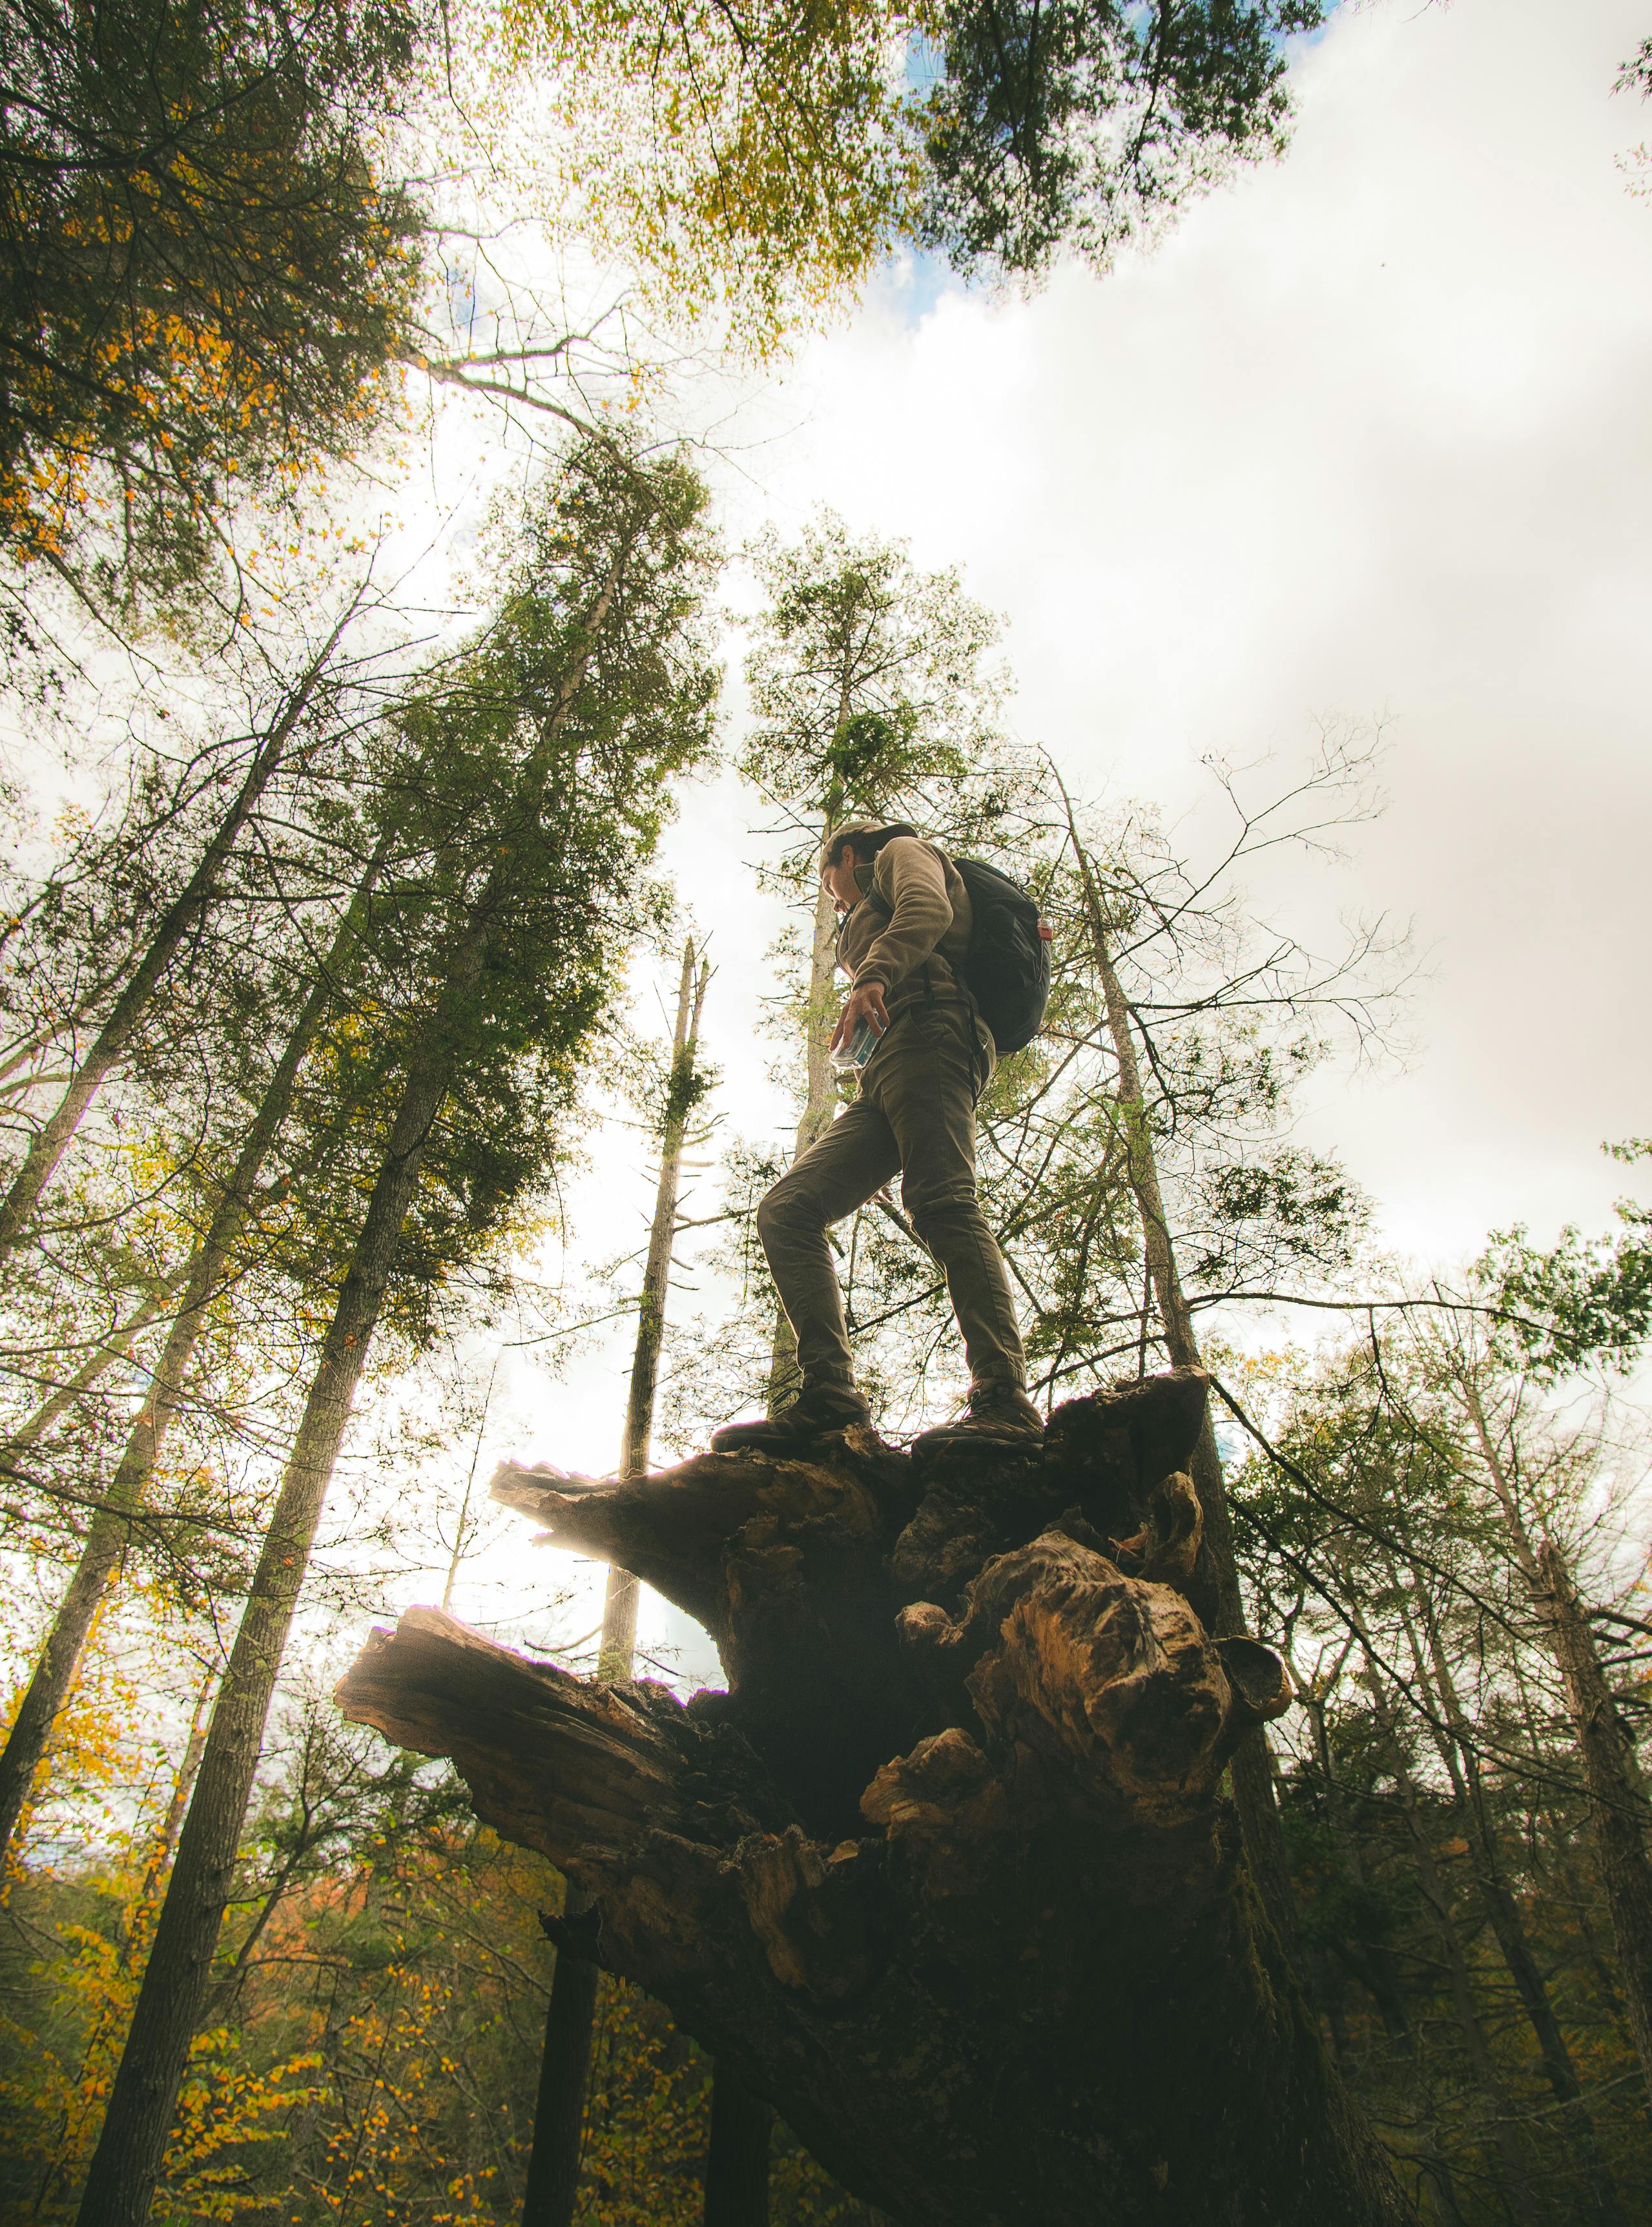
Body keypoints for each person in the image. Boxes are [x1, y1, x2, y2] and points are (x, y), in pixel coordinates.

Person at [712, 822, 1044, 1453]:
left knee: (943, 1203)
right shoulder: (865, 907)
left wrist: (872, 975)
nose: (834, 899)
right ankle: (831, 1396)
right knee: (787, 1211)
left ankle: (1004, 1397)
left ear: (846, 854)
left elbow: (928, 908)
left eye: (829, 884)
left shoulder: (899, 851)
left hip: (935, 1029)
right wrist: (874, 1132)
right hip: (885, 1073)